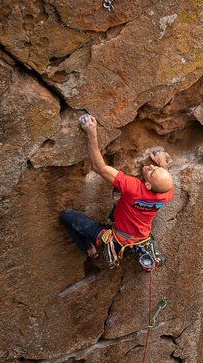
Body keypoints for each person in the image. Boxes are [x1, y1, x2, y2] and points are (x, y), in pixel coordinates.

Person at [59, 113, 174, 270]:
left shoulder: (134, 188)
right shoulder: (166, 194)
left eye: (152, 171)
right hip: (141, 241)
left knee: (67, 216)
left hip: (116, 242)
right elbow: (166, 183)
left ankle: (89, 249)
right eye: (155, 167)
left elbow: (100, 168)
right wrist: (163, 164)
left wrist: (91, 133)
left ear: (147, 185)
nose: (151, 167)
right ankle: (146, 257)